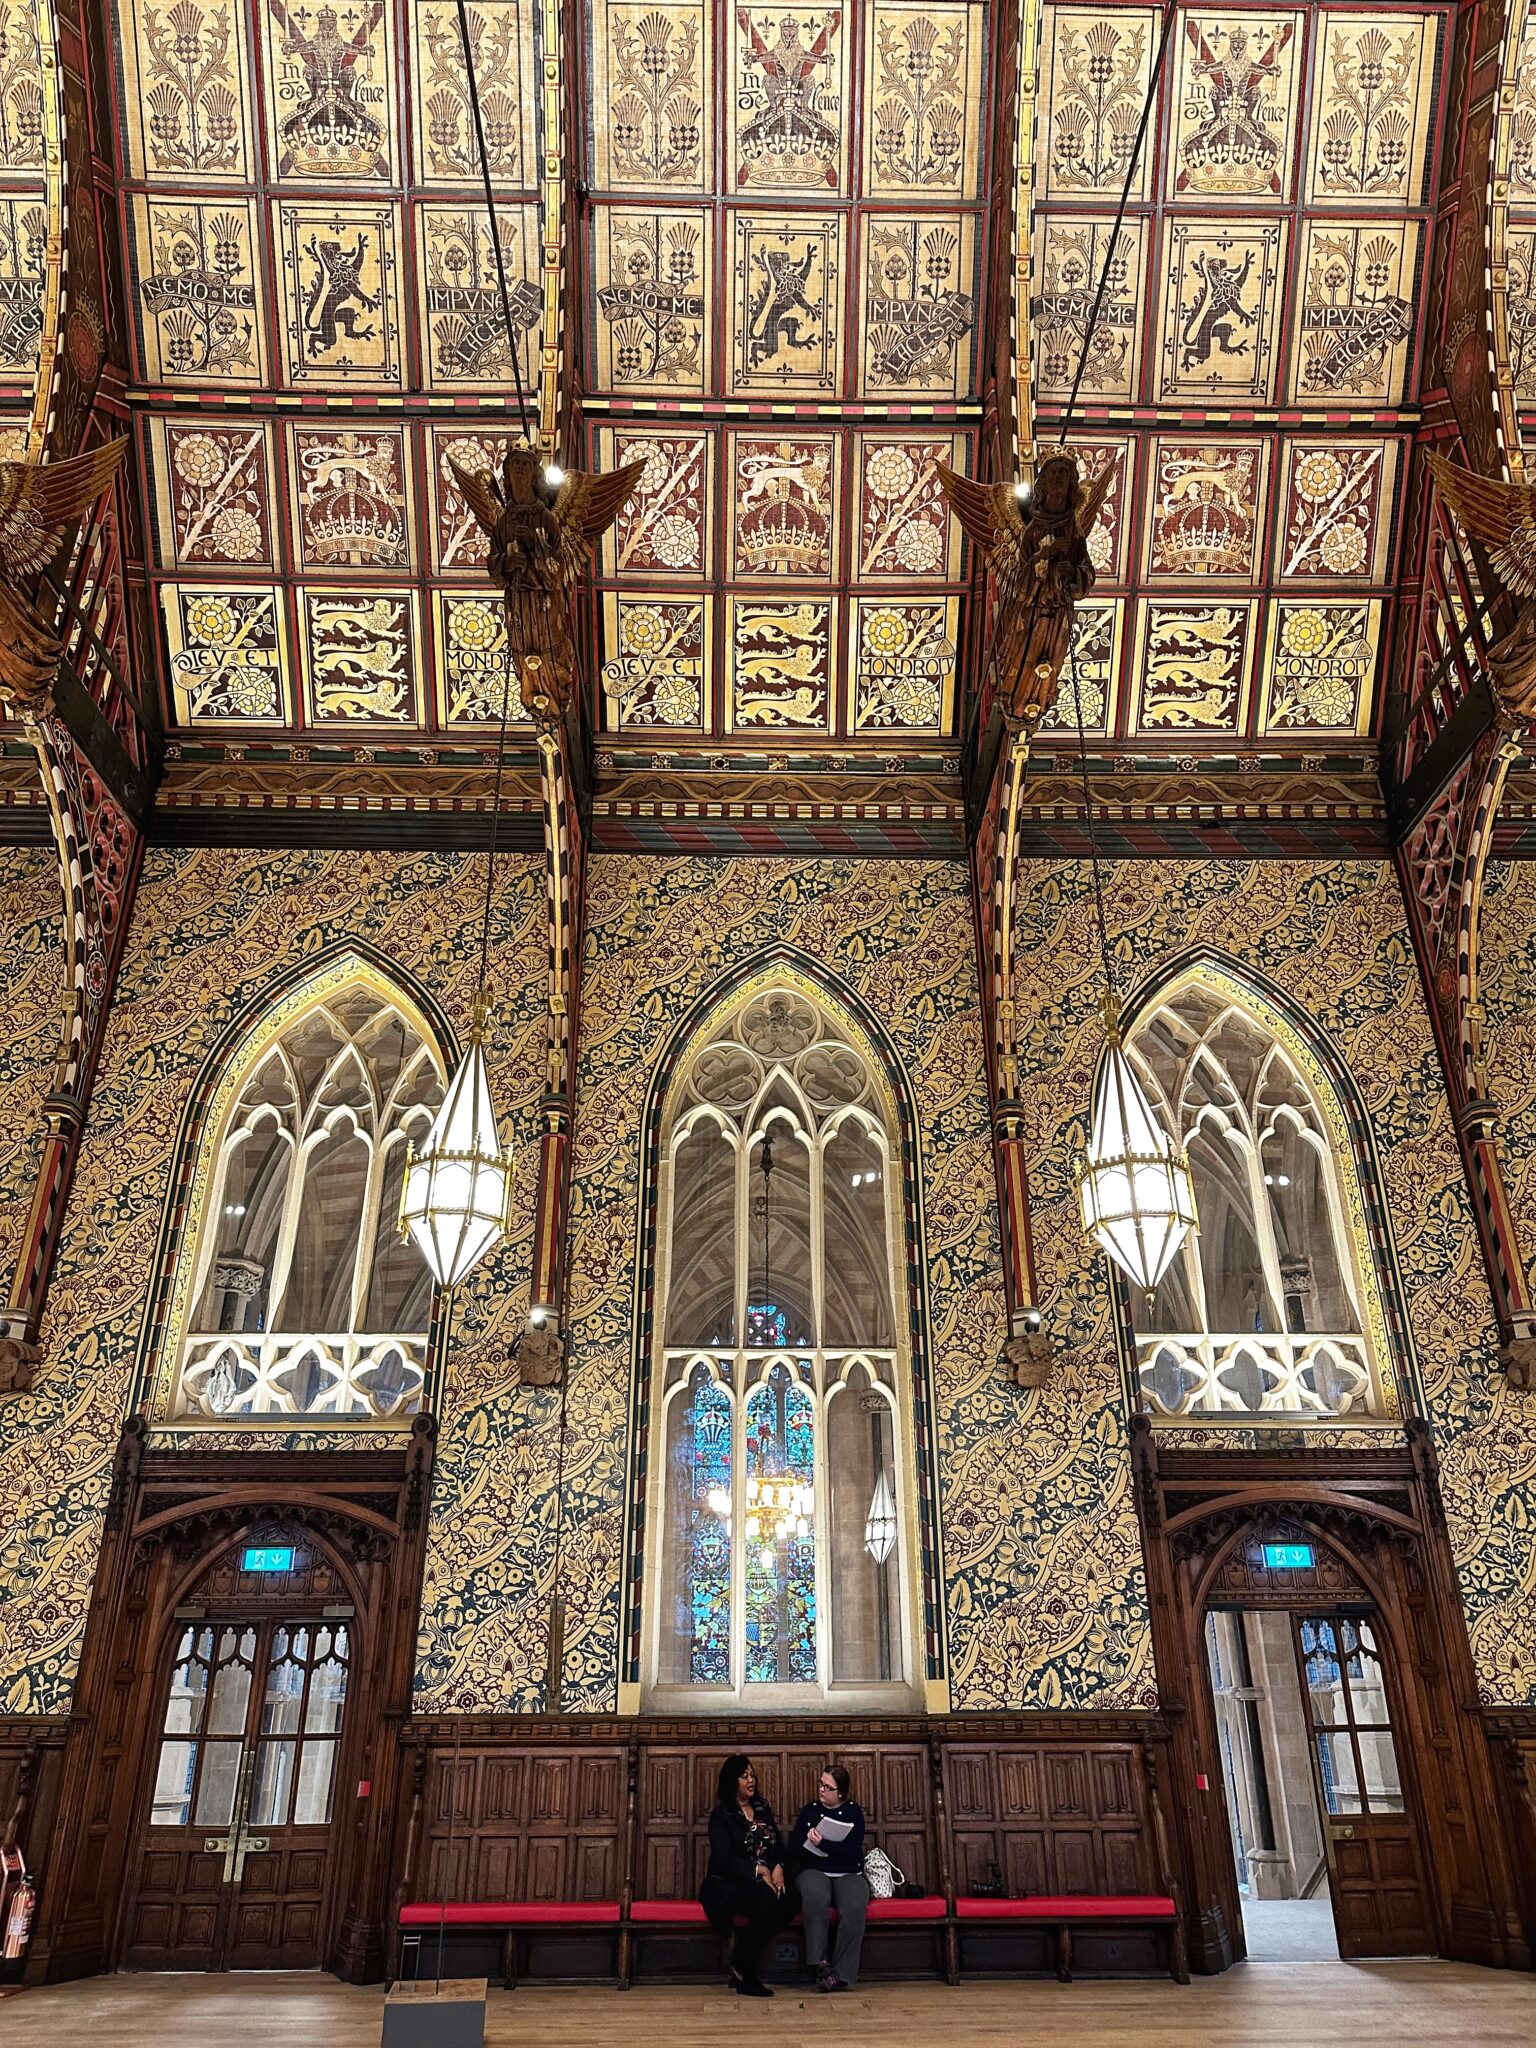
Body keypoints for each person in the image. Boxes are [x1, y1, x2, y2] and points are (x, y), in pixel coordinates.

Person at [700, 1753, 796, 1997]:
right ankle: (747, 1972)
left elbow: (777, 1846)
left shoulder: (762, 1809)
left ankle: (740, 1955)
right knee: (766, 1899)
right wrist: (759, 1870)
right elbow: (723, 1860)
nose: (751, 1781)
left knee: (793, 1898)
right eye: (744, 1777)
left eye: (752, 1775)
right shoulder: (721, 1816)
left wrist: (778, 1867)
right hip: (730, 1884)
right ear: (732, 1782)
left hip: (765, 1879)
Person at [789, 1763, 869, 1992]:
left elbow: (852, 1850)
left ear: (841, 1793)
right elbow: (794, 1846)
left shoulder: (853, 1812)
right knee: (814, 1896)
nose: (821, 1790)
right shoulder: (810, 1810)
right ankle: (820, 1963)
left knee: (854, 1905)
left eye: (828, 1787)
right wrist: (809, 1844)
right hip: (815, 1869)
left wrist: (824, 1844)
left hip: (848, 1871)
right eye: (820, 1784)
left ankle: (841, 1974)